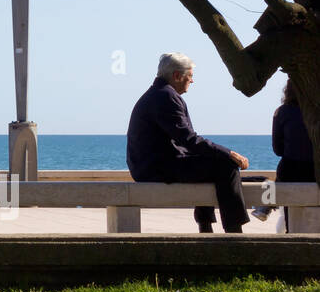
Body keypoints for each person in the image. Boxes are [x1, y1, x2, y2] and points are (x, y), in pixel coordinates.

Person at [126, 52, 250, 232]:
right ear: (177, 76)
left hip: (149, 165)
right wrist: (229, 153)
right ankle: (234, 232)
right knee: (226, 166)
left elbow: (186, 141)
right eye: (190, 76)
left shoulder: (159, 93)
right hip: (156, 169)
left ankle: (205, 227)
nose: (192, 81)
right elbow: (189, 139)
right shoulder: (165, 97)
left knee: (209, 161)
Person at [252, 80, 316, 230]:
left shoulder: (282, 111)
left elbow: (278, 150)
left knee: (279, 176)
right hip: (314, 170)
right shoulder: (315, 110)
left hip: (291, 169)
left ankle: (266, 206)